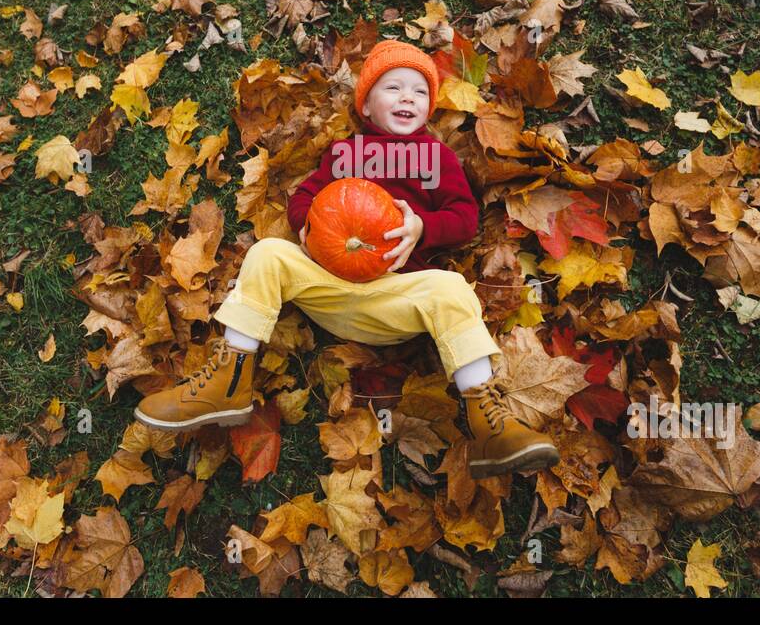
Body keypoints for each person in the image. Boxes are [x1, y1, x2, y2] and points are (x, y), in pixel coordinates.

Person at [134, 39, 559, 478]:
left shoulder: (437, 159)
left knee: (450, 289)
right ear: (368, 106)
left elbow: (465, 218)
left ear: (429, 109)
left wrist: (422, 229)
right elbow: (303, 198)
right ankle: (230, 379)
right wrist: (310, 230)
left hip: (396, 300)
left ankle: (486, 419)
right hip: (329, 288)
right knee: (268, 253)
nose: (407, 98)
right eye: (393, 88)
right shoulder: (346, 155)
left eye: (418, 92)